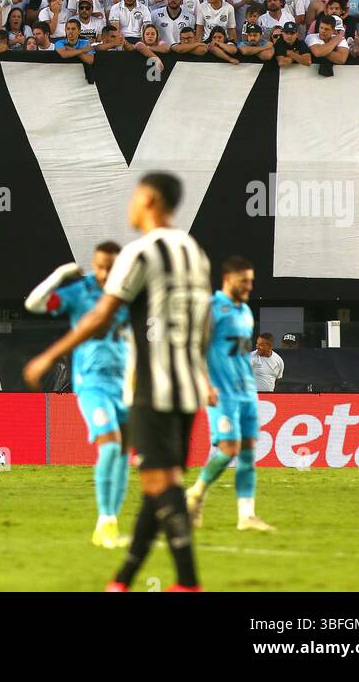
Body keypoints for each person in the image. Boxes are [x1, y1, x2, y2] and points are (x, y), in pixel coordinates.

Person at [24, 171, 212, 594]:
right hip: (185, 386)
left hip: (148, 385)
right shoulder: (194, 251)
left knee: (161, 484)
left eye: (134, 195)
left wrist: (50, 355)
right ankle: (122, 580)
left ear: (149, 198)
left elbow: (101, 316)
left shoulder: (139, 252)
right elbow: (205, 321)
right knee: (156, 482)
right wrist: (202, 373)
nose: (130, 203)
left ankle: (188, 583)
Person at [25, 242, 131, 549]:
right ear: (94, 265)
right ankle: (105, 522)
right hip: (92, 384)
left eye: (111, 268)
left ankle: (110, 523)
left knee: (123, 454)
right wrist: (59, 275)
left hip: (124, 385)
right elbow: (34, 304)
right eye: (100, 267)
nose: (105, 273)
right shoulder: (79, 292)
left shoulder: (128, 295)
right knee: (110, 446)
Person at [185, 256, 274, 532]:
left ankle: (246, 515)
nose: (249, 286)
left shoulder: (245, 311)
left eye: (251, 281)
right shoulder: (211, 308)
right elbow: (194, 348)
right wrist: (204, 384)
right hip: (222, 391)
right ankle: (196, 493)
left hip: (246, 391)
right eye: (243, 281)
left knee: (247, 450)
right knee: (228, 449)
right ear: (227, 279)